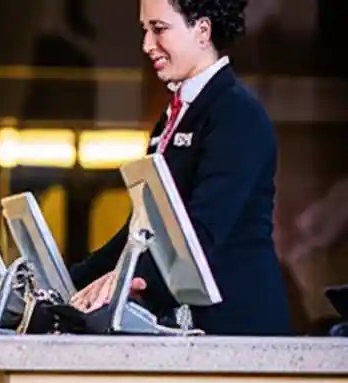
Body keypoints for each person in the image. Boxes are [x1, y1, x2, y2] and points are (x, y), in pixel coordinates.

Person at [70, 0, 292, 335]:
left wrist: (123, 279)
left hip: (237, 330)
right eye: (145, 31)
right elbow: (139, 233)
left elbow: (202, 233)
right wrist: (67, 280)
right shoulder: (175, 117)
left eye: (159, 29)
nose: (147, 45)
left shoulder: (235, 114)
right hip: (194, 328)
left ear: (202, 31)